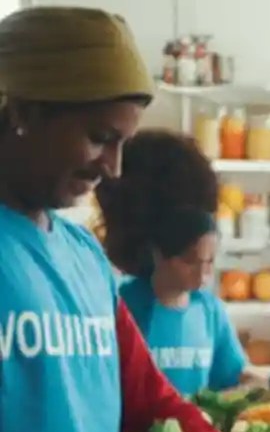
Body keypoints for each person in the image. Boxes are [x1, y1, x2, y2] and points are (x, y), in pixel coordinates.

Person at [0, 6, 253, 432]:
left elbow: (148, 397)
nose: (113, 169)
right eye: (97, 137)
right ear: (22, 110)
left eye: (123, 143)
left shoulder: (80, 255)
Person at [96, 130, 250, 397]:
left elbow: (233, 379)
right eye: (189, 259)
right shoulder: (119, 306)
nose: (201, 273)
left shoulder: (207, 309)